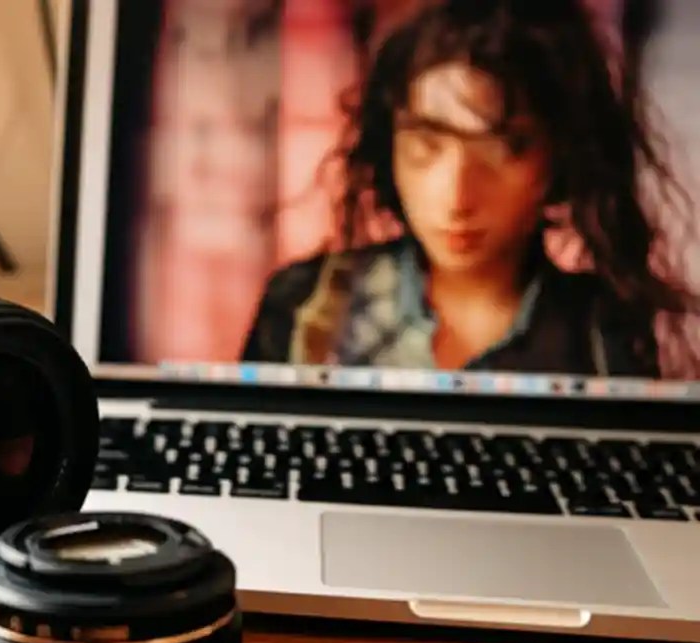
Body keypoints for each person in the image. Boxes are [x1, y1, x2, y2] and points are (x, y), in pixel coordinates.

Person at [241, 0, 696, 378]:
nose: (456, 196)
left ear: (559, 156)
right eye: (426, 144)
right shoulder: (303, 305)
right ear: (388, 146)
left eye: (504, 149)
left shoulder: (599, 329)